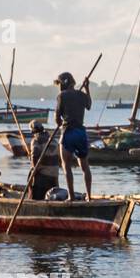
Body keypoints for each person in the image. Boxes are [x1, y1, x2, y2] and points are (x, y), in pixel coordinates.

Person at [54, 70, 92, 200]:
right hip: (81, 133)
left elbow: (57, 118)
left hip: (68, 133)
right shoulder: (81, 94)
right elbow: (89, 106)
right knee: (85, 166)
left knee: (66, 166)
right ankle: (89, 196)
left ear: (63, 84)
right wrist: (87, 88)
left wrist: (59, 124)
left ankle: (71, 196)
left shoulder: (61, 96)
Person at [28, 120, 61, 200]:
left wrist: (32, 174)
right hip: (54, 176)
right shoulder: (53, 140)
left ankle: (33, 198)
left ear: (33, 131)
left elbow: (34, 158)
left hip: (43, 178)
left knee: (31, 176)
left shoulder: (36, 140)